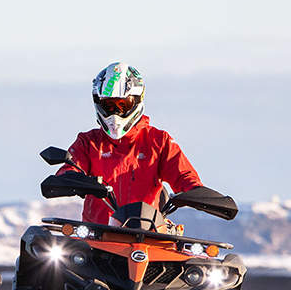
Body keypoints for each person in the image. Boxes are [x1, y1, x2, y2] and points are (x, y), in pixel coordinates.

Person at [58, 62, 203, 224]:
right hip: (97, 234)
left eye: (123, 105)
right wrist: (71, 178)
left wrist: (196, 192)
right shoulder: (88, 142)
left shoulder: (159, 141)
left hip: (147, 233)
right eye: (109, 105)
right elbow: (69, 167)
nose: (116, 112)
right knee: (48, 244)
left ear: (136, 101)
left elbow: (184, 176)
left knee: (194, 249)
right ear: (99, 103)